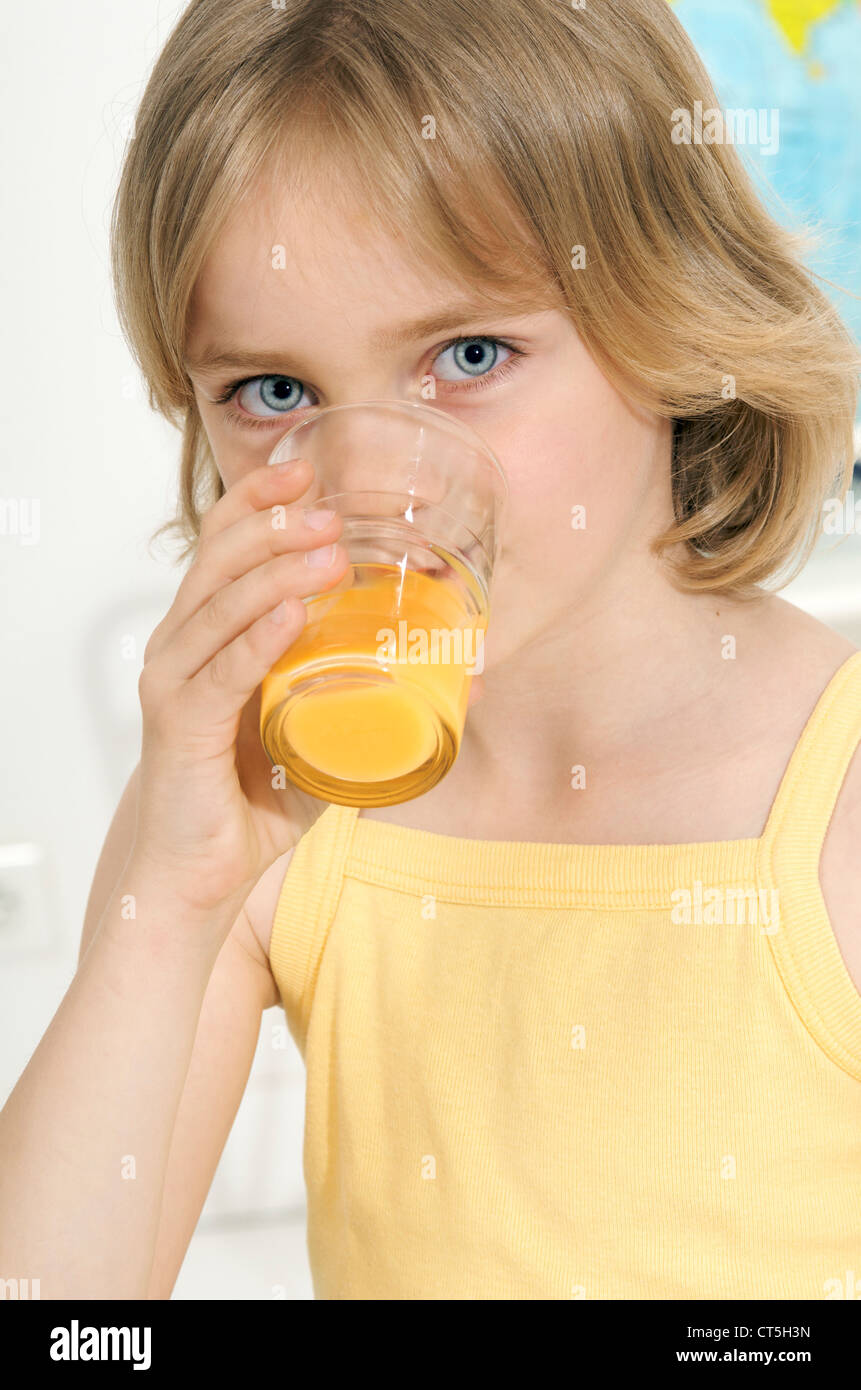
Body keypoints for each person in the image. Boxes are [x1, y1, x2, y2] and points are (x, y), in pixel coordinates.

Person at [1, 0, 859, 1300]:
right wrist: (164, 909)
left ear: (675, 320)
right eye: (273, 393)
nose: (362, 482)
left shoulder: (833, 801)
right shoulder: (255, 819)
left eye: (467, 354)